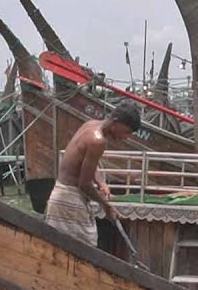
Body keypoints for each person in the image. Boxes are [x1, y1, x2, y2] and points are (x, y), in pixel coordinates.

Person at [44, 100, 142, 246]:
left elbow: (86, 165)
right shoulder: (98, 141)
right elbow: (84, 184)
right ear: (116, 122)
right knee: (85, 250)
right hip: (70, 199)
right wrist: (106, 206)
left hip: (60, 193)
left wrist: (100, 182)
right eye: (127, 132)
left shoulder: (90, 125)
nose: (126, 137)